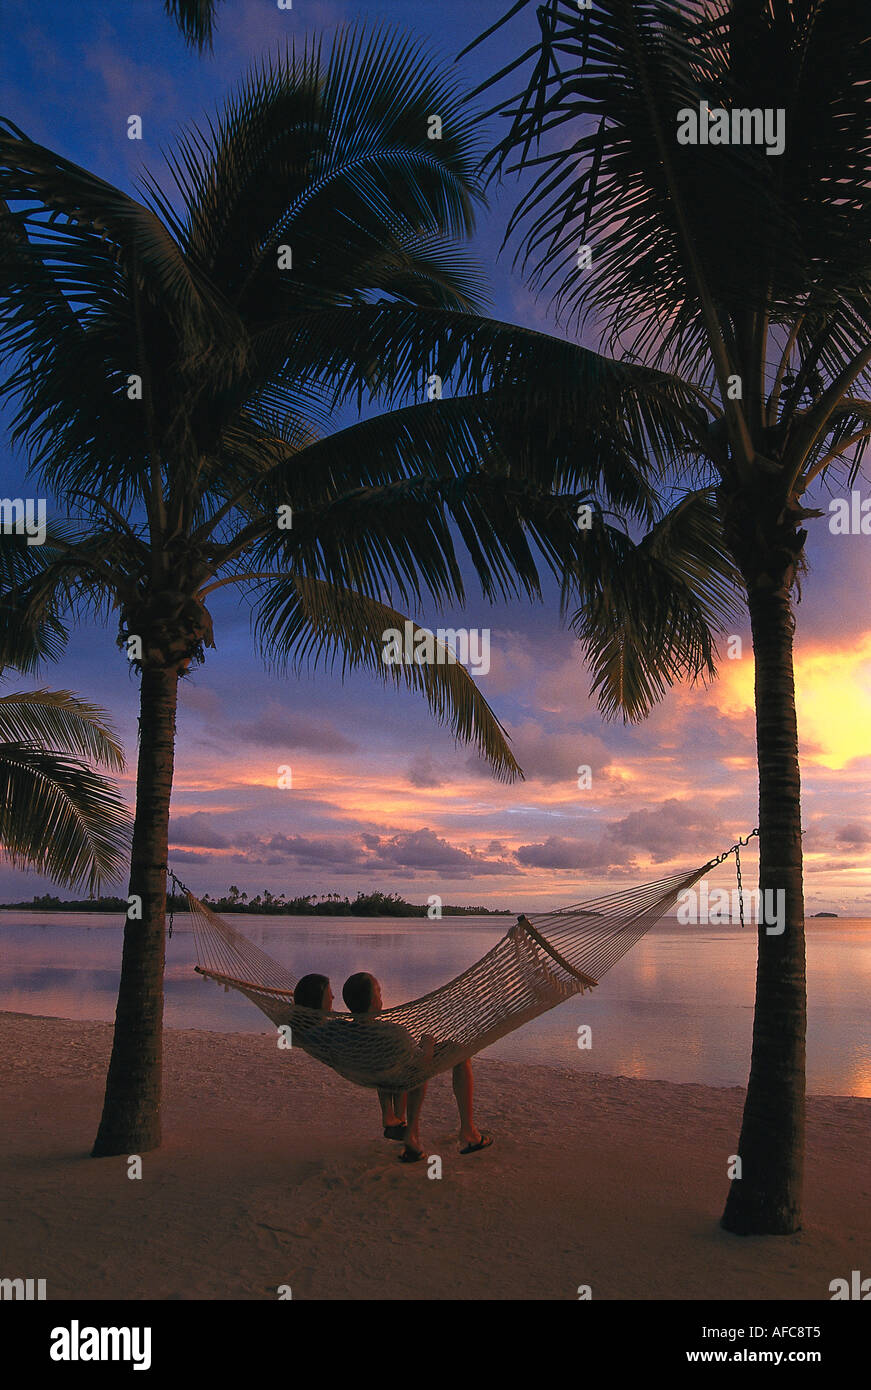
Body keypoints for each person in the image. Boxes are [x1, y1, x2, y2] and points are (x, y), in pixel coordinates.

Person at [342, 971, 493, 1164]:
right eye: (379, 992)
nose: (382, 996)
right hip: (402, 1072)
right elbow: (422, 1061)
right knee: (458, 1052)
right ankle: (469, 1132)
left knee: (395, 1065)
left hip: (378, 1072)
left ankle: (397, 1122)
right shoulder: (393, 1033)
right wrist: (427, 1042)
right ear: (373, 1001)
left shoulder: (342, 1032)